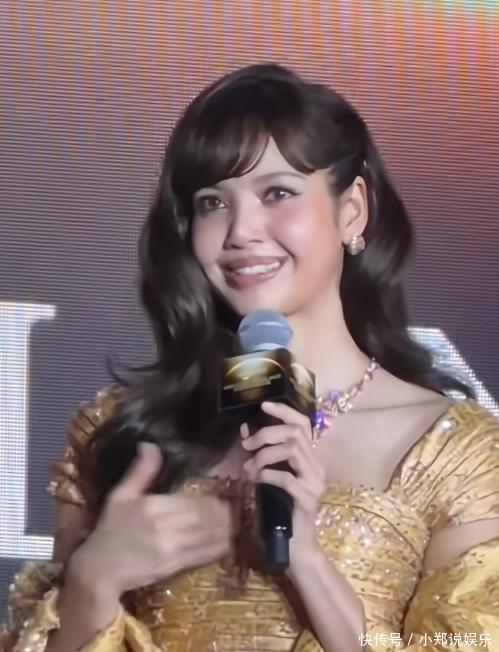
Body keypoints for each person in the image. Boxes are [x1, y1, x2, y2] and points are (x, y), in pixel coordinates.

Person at [2, 63, 499, 652]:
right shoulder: (119, 432)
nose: (240, 230)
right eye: (213, 202)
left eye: (277, 193)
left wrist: (306, 559)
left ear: (352, 211)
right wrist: (93, 581)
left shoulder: (457, 458)